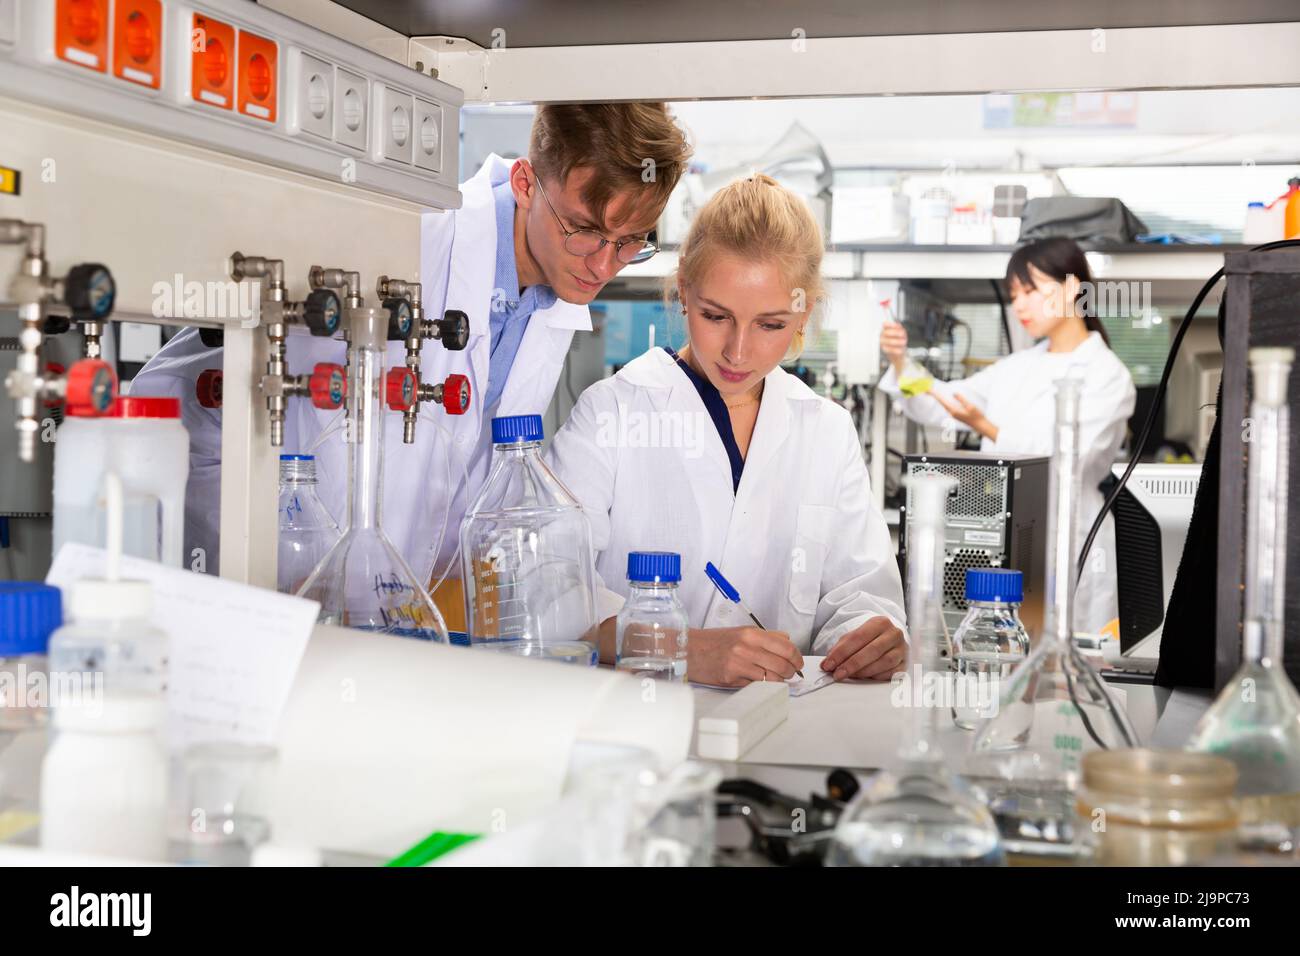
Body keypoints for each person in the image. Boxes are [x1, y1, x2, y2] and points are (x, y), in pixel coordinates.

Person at [129, 104, 692, 597]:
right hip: (269, 593)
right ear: (525, 182)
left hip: (387, 615)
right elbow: (171, 391)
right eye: (585, 230)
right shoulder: (401, 235)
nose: (602, 264)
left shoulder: (552, 297)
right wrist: (267, 553)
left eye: (630, 242)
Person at [546, 174, 906, 688]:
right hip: (631, 726)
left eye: (771, 325)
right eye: (716, 316)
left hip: (778, 729)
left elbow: (861, 594)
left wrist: (875, 637)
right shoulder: (614, 412)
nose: (738, 352)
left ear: (802, 313)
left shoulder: (825, 430)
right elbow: (549, 595)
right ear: (685, 292)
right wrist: (680, 649)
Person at [878, 236, 1136, 634]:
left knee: (1071, 664)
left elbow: (1068, 458)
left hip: (1073, 539)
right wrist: (900, 362)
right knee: (1002, 651)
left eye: (1030, 291)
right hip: (1005, 535)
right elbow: (939, 401)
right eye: (1014, 294)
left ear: (1071, 288)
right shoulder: (1017, 368)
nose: (1019, 305)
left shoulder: (1108, 374)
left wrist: (988, 428)